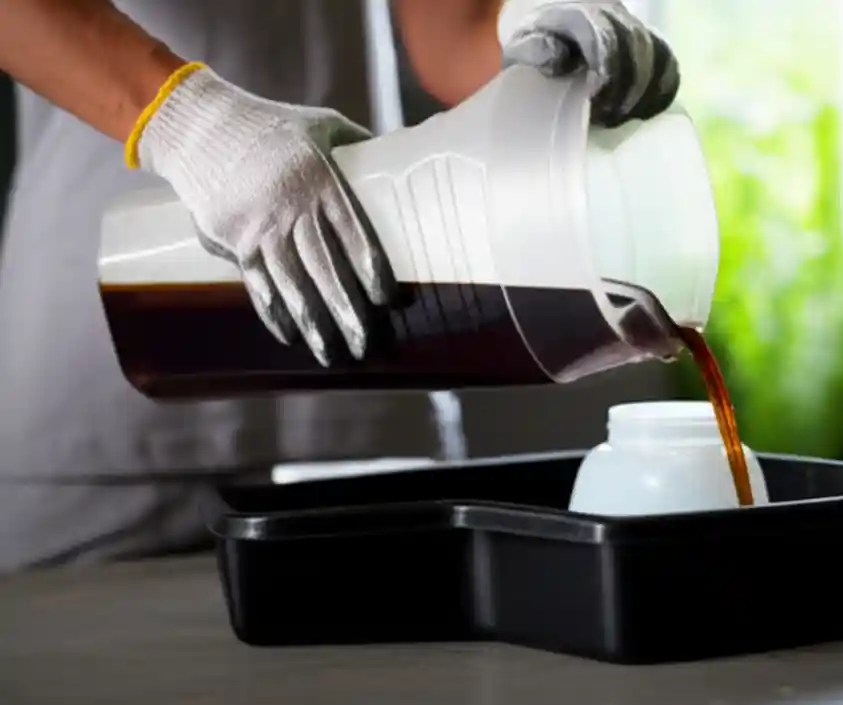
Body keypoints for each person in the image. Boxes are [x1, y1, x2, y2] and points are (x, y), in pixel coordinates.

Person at [0, 0, 678, 574]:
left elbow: (454, 39)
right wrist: (191, 125)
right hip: (113, 371)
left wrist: (535, 26)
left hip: (362, 368)